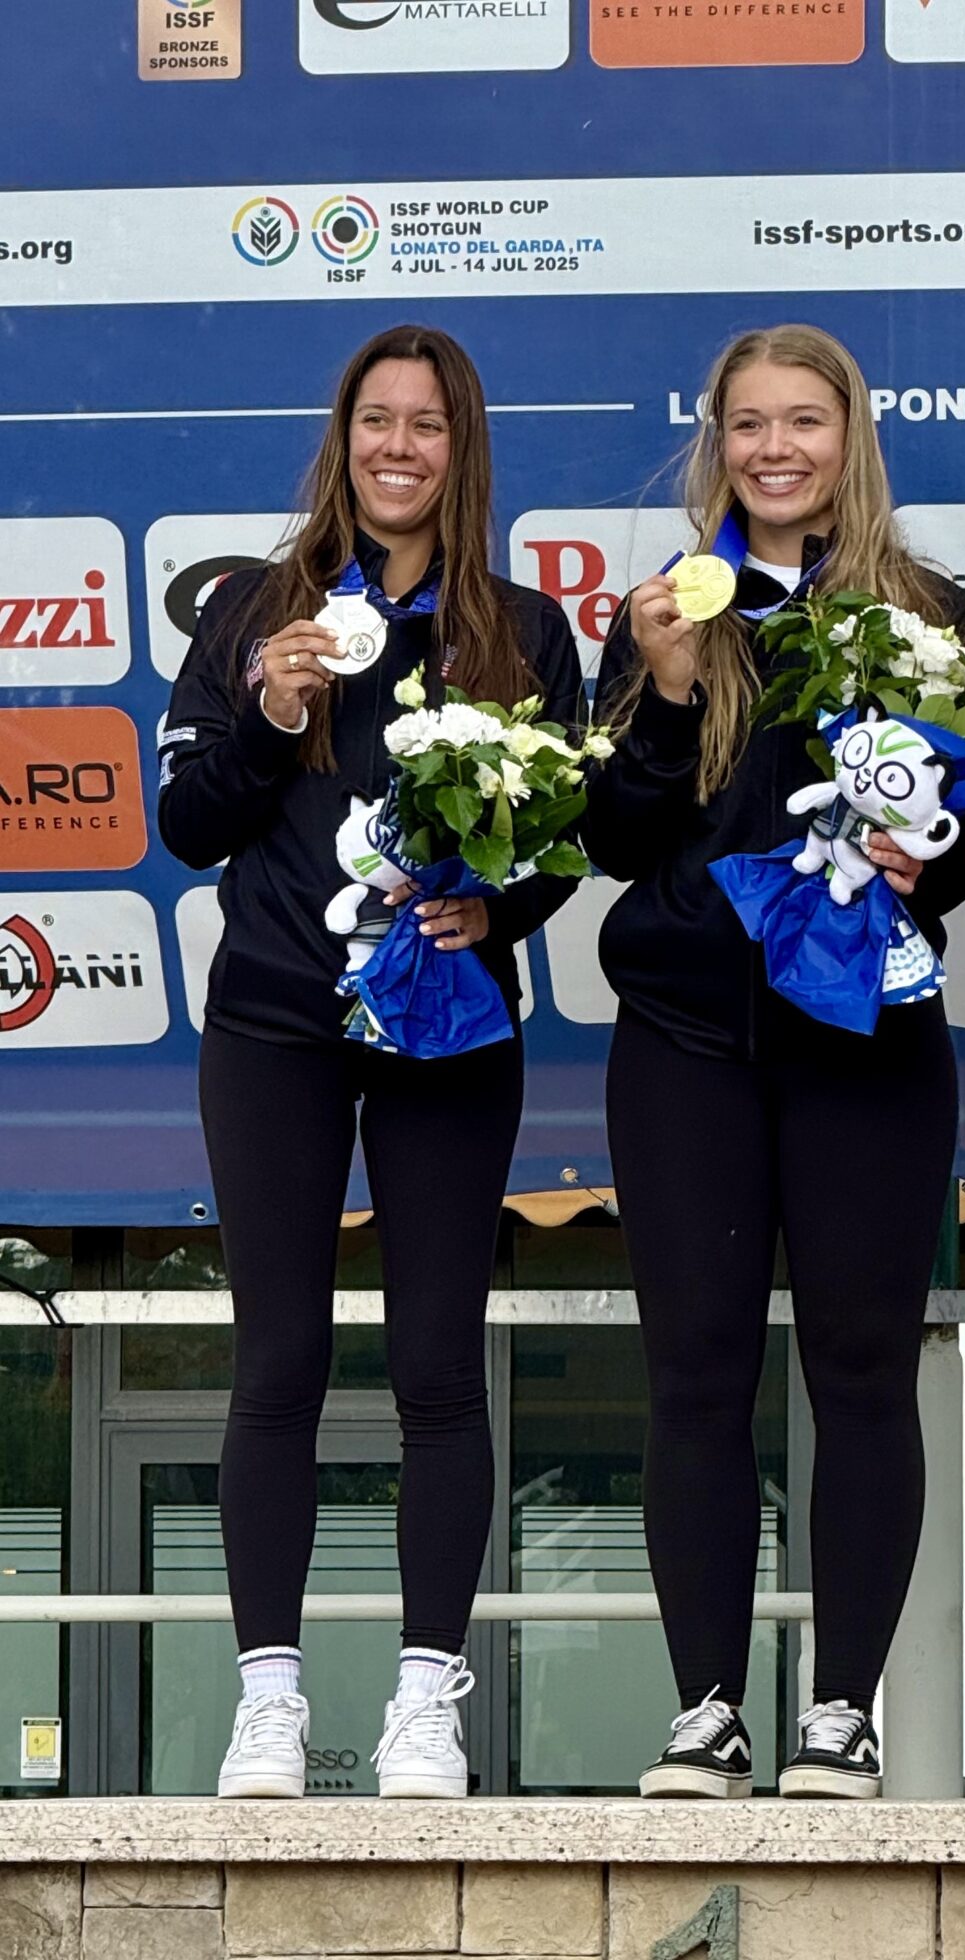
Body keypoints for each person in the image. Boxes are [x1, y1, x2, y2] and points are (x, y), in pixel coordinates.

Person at [158, 324, 582, 1801]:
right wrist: (275, 715)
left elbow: (559, 848)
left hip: (449, 1032)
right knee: (276, 1361)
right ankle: (266, 1703)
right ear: (343, 440)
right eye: (375, 423)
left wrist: (497, 906)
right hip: (277, 1026)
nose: (398, 448)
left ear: (463, 450)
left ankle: (423, 1705)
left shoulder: (524, 629)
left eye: (428, 426)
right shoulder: (255, 613)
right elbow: (193, 825)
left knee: (433, 1369)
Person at [582, 324, 965, 1800]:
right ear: (715, 444)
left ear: (848, 437)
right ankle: (705, 1711)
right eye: (747, 423)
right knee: (693, 1376)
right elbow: (608, 840)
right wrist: (674, 690)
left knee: (863, 1371)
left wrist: (916, 854)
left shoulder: (928, 611)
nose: (774, 449)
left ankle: (841, 1713)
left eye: (803, 421)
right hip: (687, 1043)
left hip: (866, 1047)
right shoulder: (663, 610)